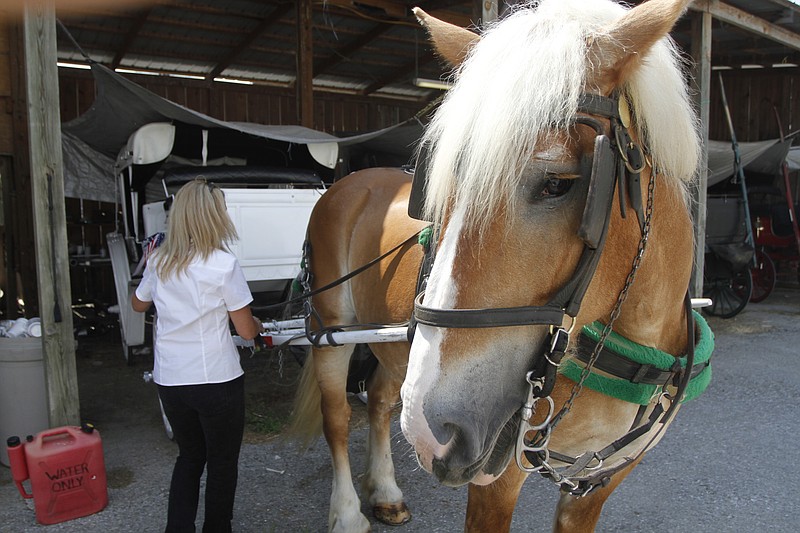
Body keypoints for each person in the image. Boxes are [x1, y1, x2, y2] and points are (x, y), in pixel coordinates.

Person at [132, 178, 263, 533]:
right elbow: (247, 331)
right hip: (215, 380)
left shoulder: (159, 260)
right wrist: (254, 321)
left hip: (171, 382)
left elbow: (137, 303)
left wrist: (148, 265)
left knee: (189, 457)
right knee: (222, 462)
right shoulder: (223, 264)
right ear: (213, 217)